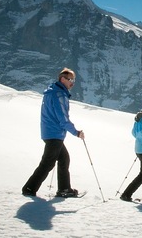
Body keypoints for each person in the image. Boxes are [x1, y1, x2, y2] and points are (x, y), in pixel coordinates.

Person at [22, 68, 84, 197]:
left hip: (50, 132)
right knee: (48, 163)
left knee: (63, 159)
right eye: (70, 79)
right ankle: (29, 188)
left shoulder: (53, 92)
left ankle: (64, 189)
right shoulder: (58, 95)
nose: (72, 82)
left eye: (74, 80)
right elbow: (63, 118)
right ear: (62, 79)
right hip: (54, 133)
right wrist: (76, 132)